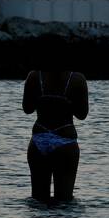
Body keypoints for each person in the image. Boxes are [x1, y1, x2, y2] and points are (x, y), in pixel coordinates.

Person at [23, 70, 88, 202]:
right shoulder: (77, 79)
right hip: (65, 141)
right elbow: (82, 115)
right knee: (64, 201)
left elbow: (27, 109)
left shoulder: (34, 77)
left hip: (39, 139)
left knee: (38, 201)